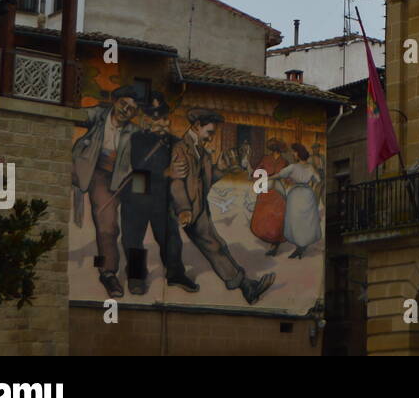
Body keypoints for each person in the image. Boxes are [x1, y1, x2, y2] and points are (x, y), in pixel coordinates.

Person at [167, 109, 274, 304]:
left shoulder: (203, 152)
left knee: (217, 245)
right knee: (188, 246)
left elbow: (207, 181)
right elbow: (176, 183)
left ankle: (246, 286)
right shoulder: (180, 149)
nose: (211, 137)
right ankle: (245, 286)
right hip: (181, 210)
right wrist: (183, 209)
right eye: (209, 132)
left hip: (198, 207)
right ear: (197, 126)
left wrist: (222, 168)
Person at [120, 92, 197, 294]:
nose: (161, 122)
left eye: (163, 117)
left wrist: (183, 206)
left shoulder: (175, 143)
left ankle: (175, 274)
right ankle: (136, 277)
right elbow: (138, 167)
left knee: (171, 238)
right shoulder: (136, 139)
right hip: (136, 193)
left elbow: (178, 177)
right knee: (133, 238)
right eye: (156, 118)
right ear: (146, 119)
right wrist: (165, 172)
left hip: (161, 198)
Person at [72, 85, 142, 298]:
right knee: (107, 226)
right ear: (115, 101)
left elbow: (142, 163)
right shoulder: (99, 115)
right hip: (96, 171)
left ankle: (122, 274)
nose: (125, 110)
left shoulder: (135, 132)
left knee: (122, 228)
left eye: (131, 109)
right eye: (123, 104)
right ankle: (109, 272)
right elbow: (76, 116)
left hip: (122, 179)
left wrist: (140, 192)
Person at [272, 143, 322, 260]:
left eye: (294, 152)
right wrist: (312, 187)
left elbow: (279, 175)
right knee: (304, 220)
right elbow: (318, 180)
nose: (293, 154)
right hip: (307, 194)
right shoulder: (310, 168)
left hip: (296, 194)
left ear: (298, 154)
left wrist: (267, 178)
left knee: (295, 220)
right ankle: (300, 247)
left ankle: (299, 247)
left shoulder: (293, 167)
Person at [250, 139, 288, 256]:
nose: (277, 152)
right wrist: (261, 181)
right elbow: (257, 172)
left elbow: (288, 177)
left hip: (278, 191)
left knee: (277, 217)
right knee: (265, 215)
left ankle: (275, 243)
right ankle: (268, 238)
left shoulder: (284, 162)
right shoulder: (266, 159)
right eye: (276, 150)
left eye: (278, 150)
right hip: (266, 189)